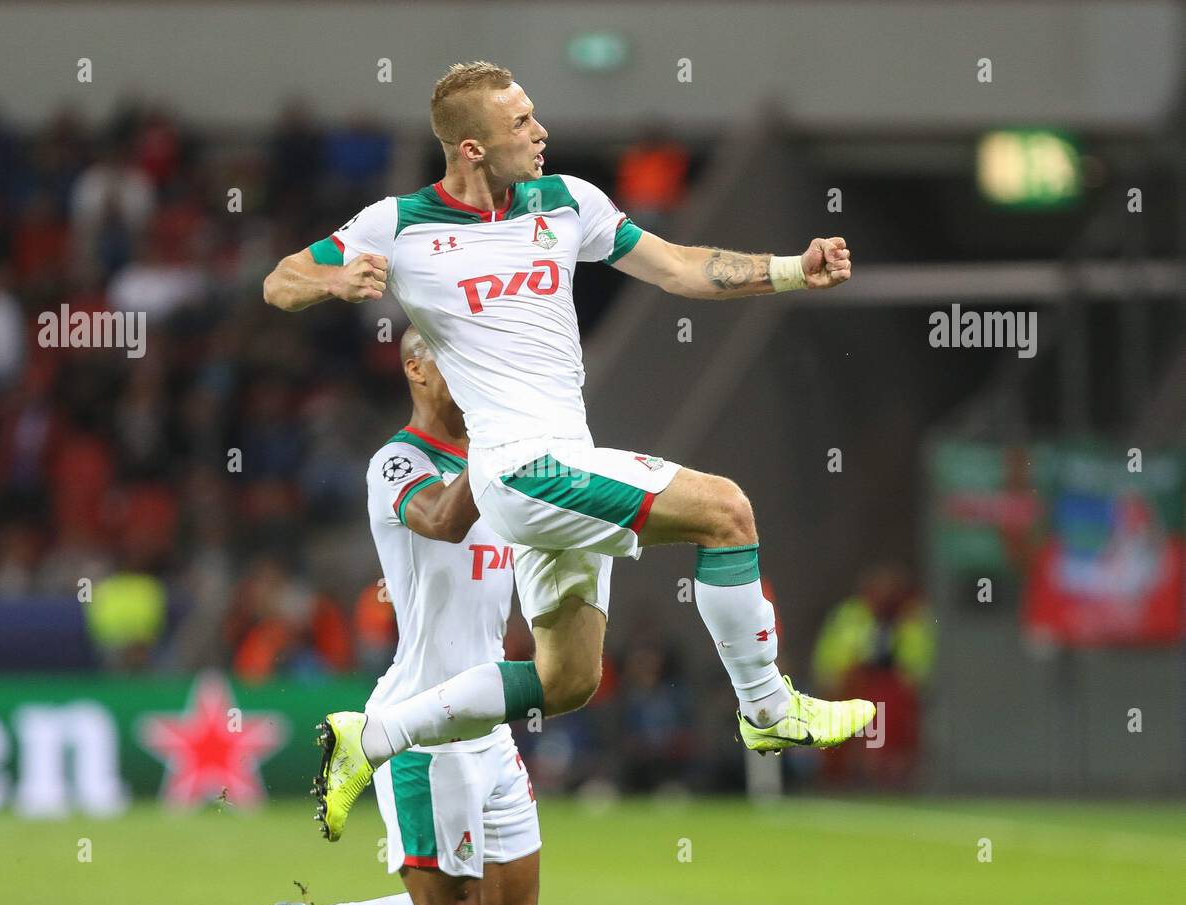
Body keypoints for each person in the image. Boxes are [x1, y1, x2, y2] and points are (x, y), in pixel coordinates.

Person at [264, 60, 874, 842]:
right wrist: (337, 281)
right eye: (520, 123)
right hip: (517, 465)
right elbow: (281, 281)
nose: (541, 131)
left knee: (569, 680)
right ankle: (767, 709)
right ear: (473, 147)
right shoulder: (399, 223)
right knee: (726, 510)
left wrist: (794, 269)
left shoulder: (568, 202)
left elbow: (681, 267)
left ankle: (372, 736)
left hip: (561, 461)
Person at [266, 325, 538, 905]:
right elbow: (442, 519)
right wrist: (501, 441)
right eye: (460, 360)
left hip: (487, 722)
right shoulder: (397, 461)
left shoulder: (492, 462)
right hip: (422, 725)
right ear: (418, 369)